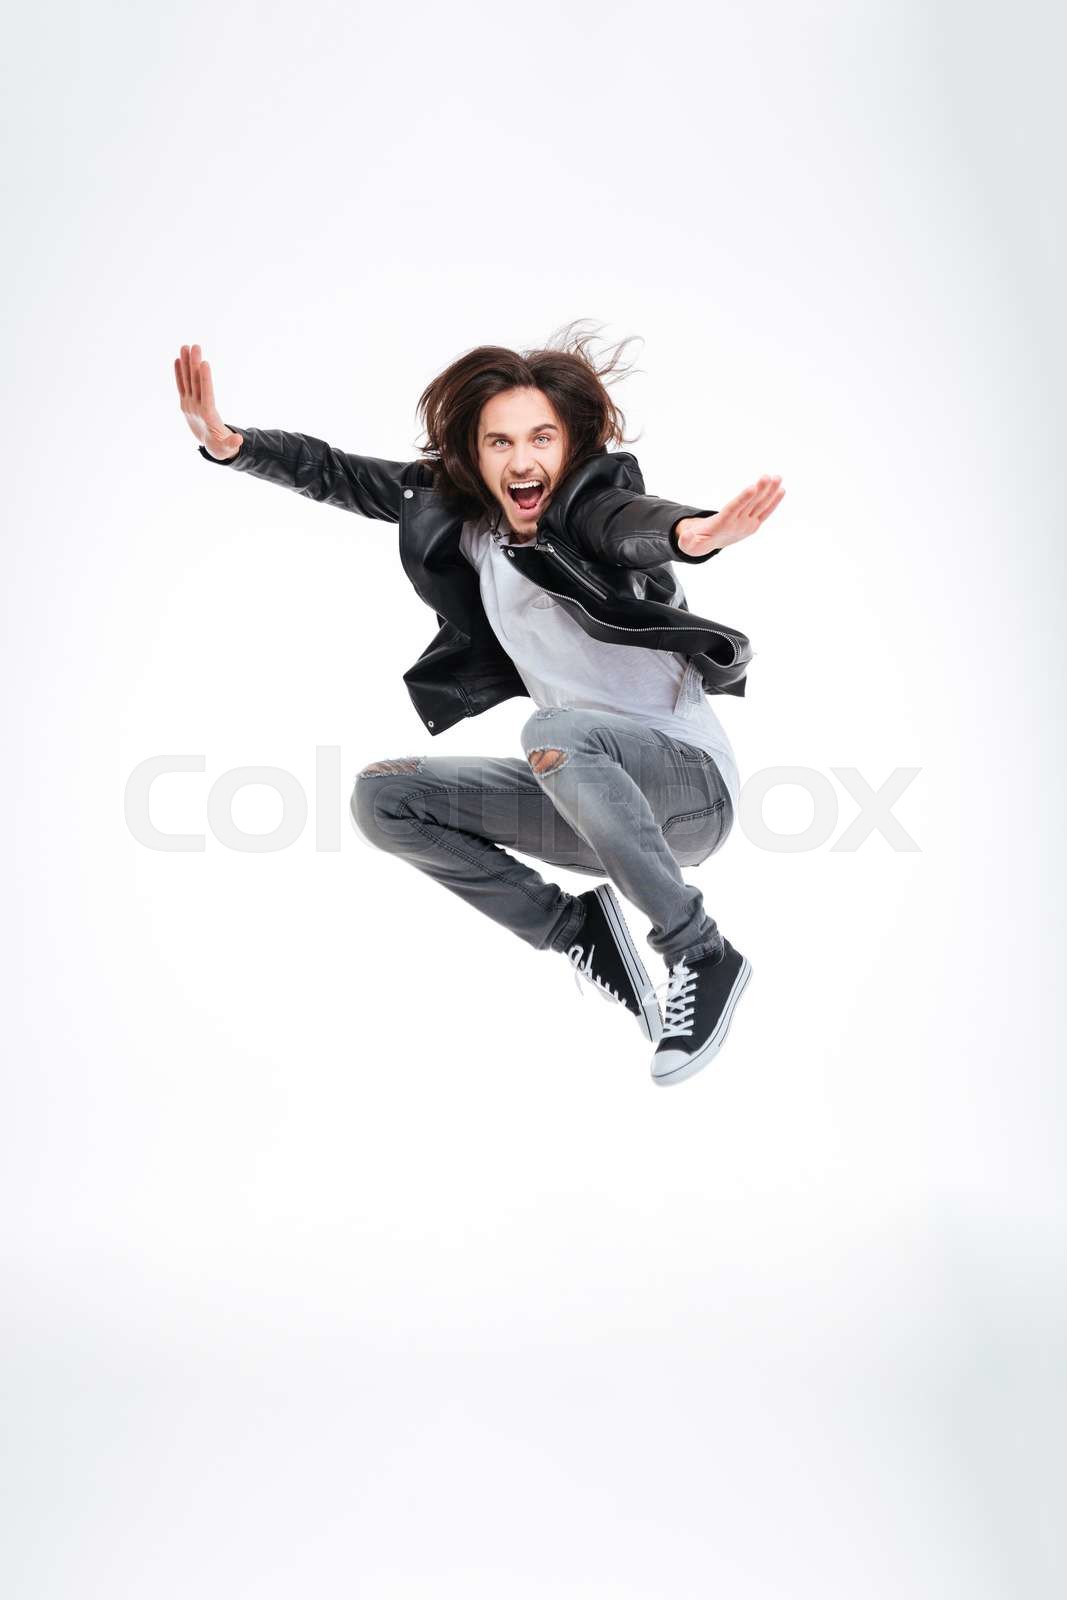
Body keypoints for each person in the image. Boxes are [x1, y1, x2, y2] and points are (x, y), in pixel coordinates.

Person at [174, 322, 785, 1087]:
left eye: (541, 439)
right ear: (474, 454)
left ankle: (699, 951)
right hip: (583, 796)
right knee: (384, 795)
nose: (522, 460)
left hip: (687, 789)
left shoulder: (588, 508)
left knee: (553, 729)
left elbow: (633, 526)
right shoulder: (459, 523)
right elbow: (335, 472)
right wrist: (230, 443)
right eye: (499, 443)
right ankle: (578, 930)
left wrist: (693, 534)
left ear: (571, 448)